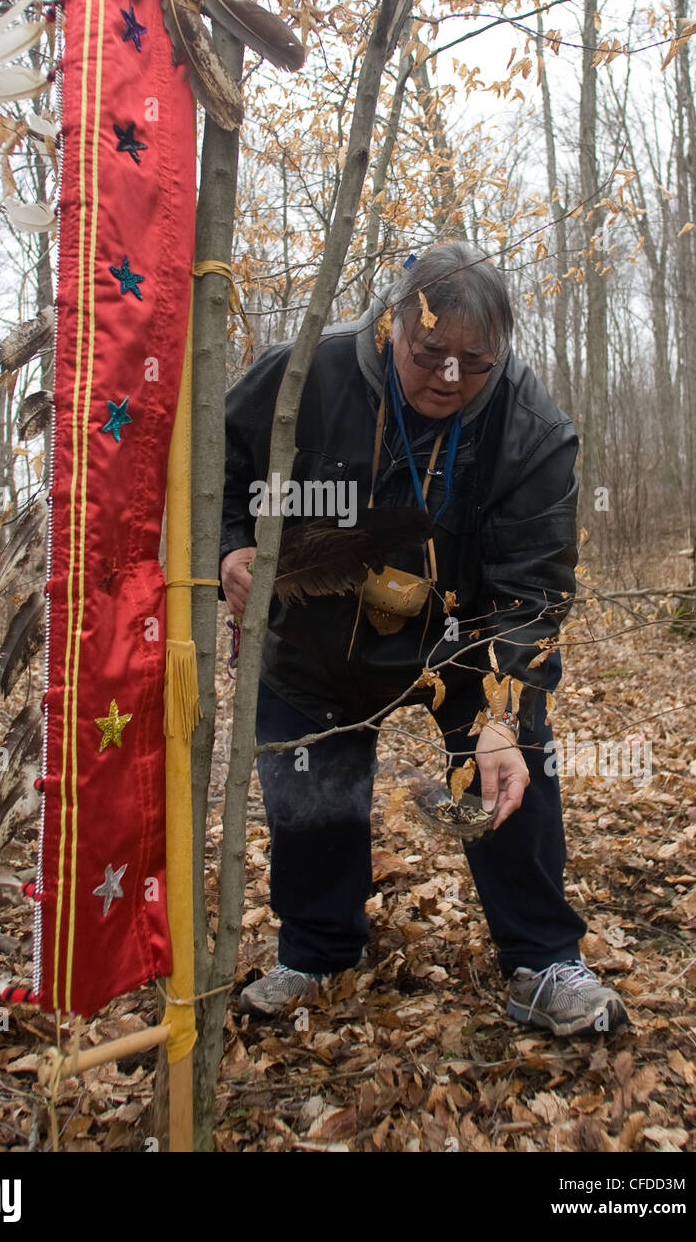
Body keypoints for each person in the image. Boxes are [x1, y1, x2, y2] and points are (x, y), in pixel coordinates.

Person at [220, 242, 627, 1036]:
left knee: (512, 777)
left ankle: (544, 960)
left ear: (501, 349)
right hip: (312, 636)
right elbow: (218, 468)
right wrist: (230, 545)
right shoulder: (309, 372)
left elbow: (535, 588)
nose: (449, 378)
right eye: (430, 353)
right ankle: (315, 955)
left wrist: (505, 716)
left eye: (474, 362)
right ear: (391, 325)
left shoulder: (531, 427)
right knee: (309, 795)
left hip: (462, 646)